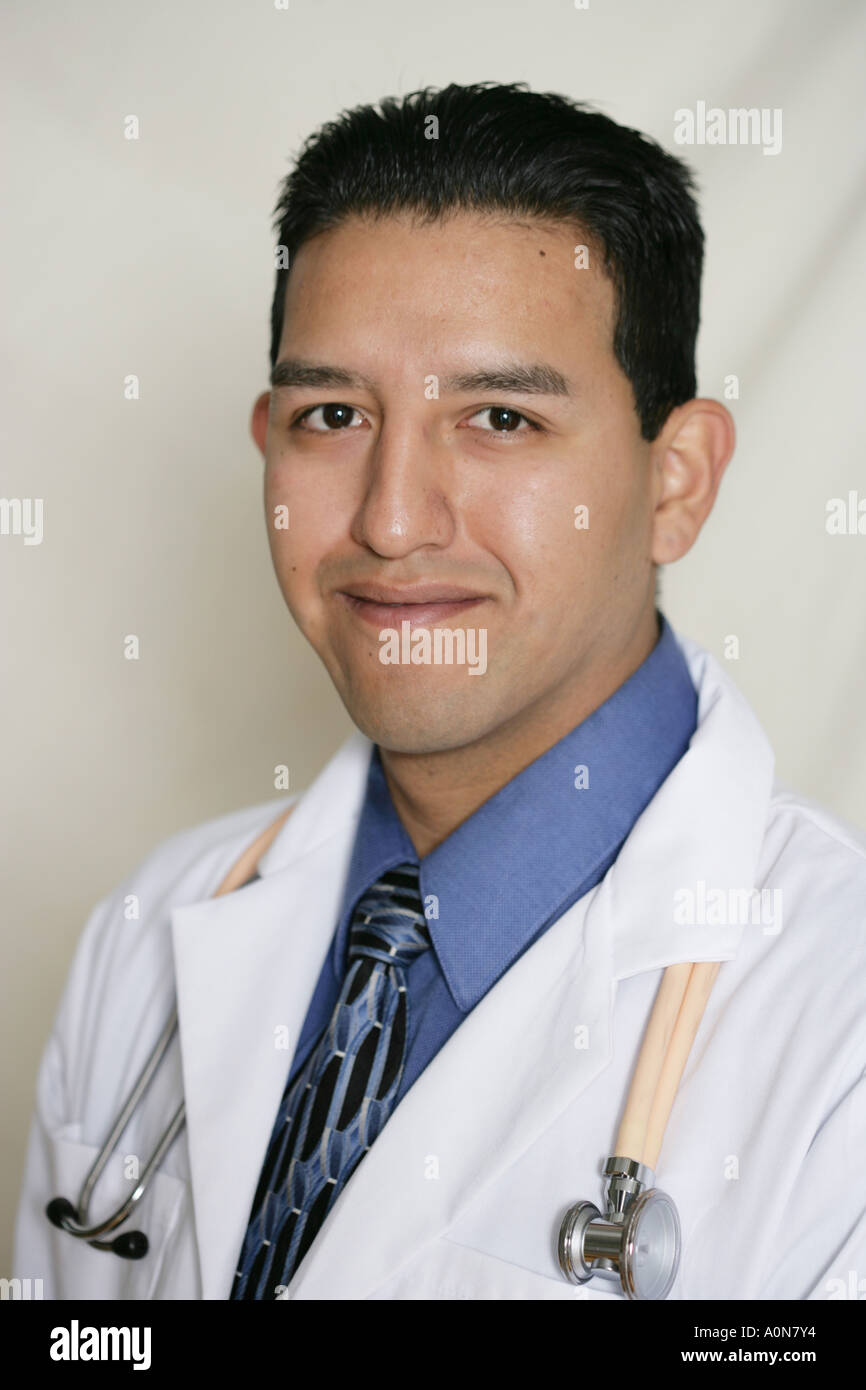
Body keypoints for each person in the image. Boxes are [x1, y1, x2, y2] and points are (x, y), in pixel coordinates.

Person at [14, 82, 866, 1302]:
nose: (391, 519)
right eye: (332, 414)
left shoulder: (829, 1027)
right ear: (266, 442)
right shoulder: (148, 937)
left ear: (674, 481)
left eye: (500, 417)